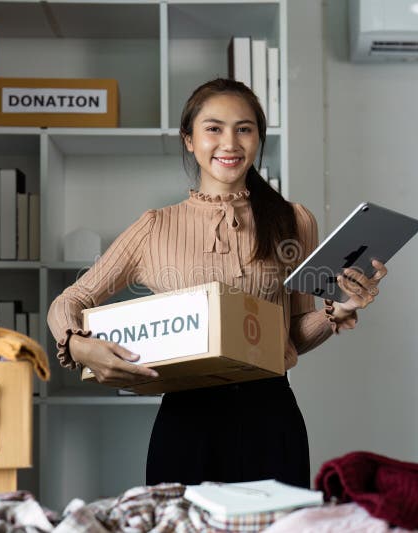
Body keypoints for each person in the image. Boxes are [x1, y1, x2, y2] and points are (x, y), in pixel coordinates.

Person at [47, 78, 387, 489]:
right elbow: (73, 298)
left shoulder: (295, 219)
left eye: (244, 129)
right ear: (188, 139)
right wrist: (78, 344)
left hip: (272, 417)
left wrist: (341, 310)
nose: (230, 143)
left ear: (258, 138)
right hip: (186, 420)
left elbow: (294, 333)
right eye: (213, 128)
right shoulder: (154, 227)